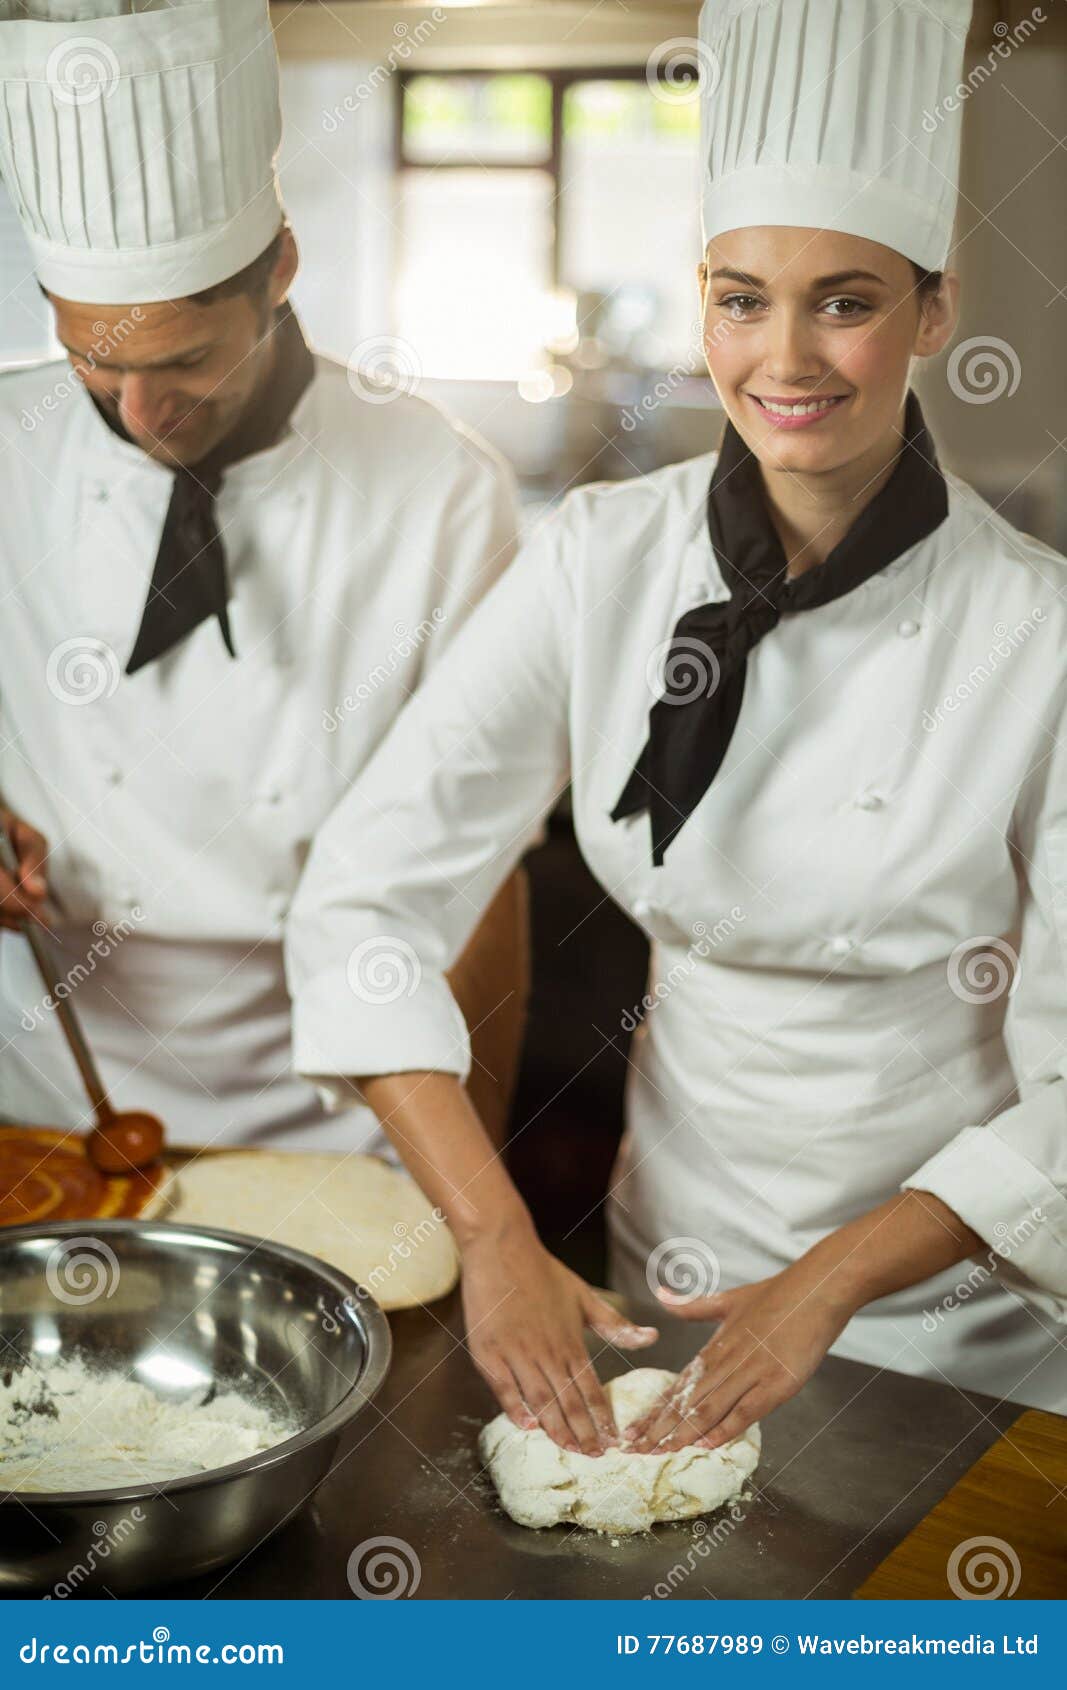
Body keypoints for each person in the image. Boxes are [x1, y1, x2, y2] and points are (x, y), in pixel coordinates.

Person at [286, 0, 1067, 1454]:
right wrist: (495, 1233)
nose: (784, 357)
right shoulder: (599, 556)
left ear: (932, 311)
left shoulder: (1041, 637)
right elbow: (365, 894)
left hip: (967, 1337)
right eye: (736, 296)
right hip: (667, 1296)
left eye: (843, 299)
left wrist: (829, 1281)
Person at [0, 0, 526, 1155]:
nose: (140, 412)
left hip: (338, 1125)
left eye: (184, 359)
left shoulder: (443, 488)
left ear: (279, 267)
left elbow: (480, 875)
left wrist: (465, 1205)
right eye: (94, 360)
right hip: (47, 1113)